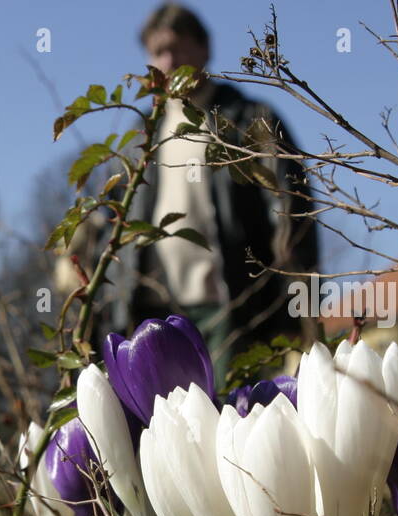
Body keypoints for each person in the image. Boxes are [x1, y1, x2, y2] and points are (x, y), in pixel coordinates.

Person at [60, 4, 318, 385]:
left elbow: (293, 212)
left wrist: (301, 315)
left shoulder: (249, 119)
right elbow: (116, 228)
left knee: (232, 414)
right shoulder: (141, 138)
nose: (169, 60)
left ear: (204, 49)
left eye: (177, 48)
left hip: (234, 307)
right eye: (158, 52)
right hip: (152, 312)